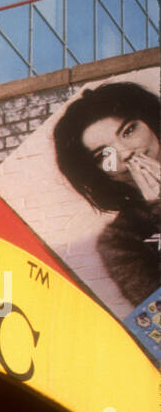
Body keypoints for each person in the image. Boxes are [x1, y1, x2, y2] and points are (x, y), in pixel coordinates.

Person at [52, 82, 161, 306]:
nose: (126, 153)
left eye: (129, 131)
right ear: (98, 172)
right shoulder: (119, 242)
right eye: (105, 154)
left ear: (151, 122)